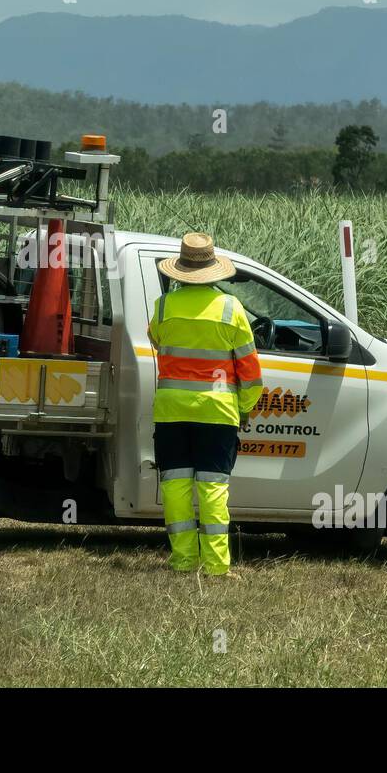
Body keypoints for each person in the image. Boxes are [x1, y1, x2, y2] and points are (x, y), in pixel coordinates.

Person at [149, 232, 262, 577]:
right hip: (216, 412)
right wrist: (244, 407)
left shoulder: (164, 306)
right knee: (212, 488)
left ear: (180, 270)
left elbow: (156, 339)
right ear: (214, 270)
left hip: (170, 411)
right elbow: (251, 374)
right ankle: (215, 567)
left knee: (176, 486)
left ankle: (183, 561)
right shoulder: (231, 310)